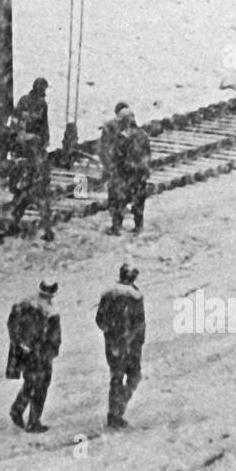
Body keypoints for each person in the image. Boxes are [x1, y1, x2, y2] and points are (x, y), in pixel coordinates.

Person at [6, 278, 62, 433]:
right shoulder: (50, 312)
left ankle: (17, 409)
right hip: (41, 354)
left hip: (27, 352)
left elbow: (12, 324)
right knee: (41, 386)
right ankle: (33, 421)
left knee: (31, 383)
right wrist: (51, 350)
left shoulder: (25, 303)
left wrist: (21, 343)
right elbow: (54, 336)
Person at [96, 263, 146, 429]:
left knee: (116, 378)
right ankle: (117, 412)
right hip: (131, 346)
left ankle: (114, 413)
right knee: (133, 376)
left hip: (113, 345)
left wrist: (111, 335)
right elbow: (139, 323)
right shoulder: (135, 296)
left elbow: (100, 320)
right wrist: (133, 339)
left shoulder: (109, 295)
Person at [7, 78, 54, 241]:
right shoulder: (27, 101)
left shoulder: (39, 103)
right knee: (37, 202)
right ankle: (45, 230)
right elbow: (16, 120)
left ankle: (17, 224)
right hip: (27, 146)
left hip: (30, 149)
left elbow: (43, 124)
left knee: (22, 200)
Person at [104, 107, 152, 235]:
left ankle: (116, 227)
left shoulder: (122, 137)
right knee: (139, 201)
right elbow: (148, 155)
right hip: (140, 174)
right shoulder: (143, 135)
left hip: (125, 175)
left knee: (116, 198)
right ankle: (138, 226)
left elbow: (117, 157)